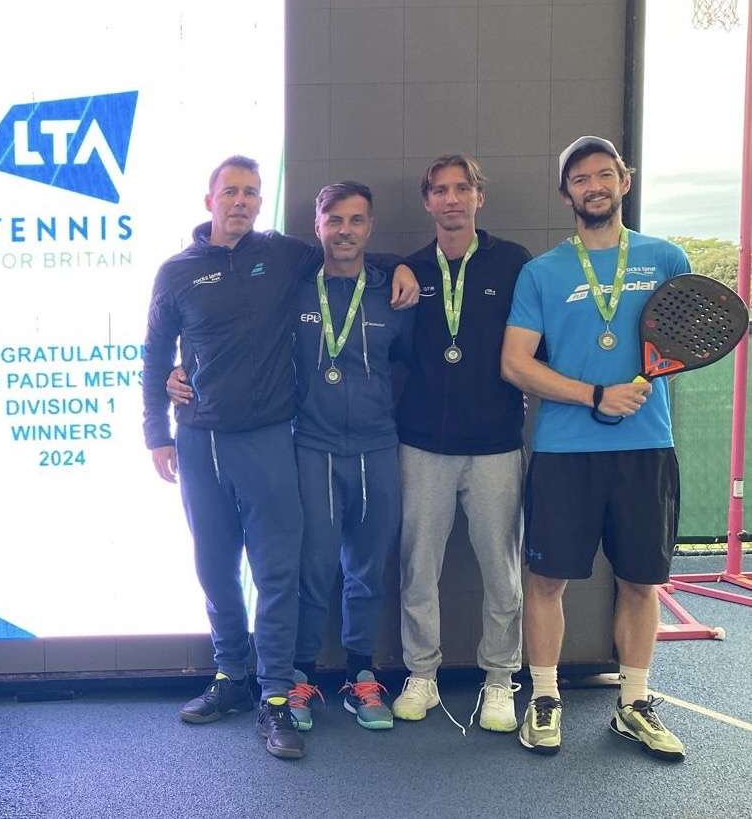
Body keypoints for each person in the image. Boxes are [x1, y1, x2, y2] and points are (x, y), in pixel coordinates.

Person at [142, 156, 416, 761]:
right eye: (231, 191)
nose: (241, 201)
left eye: (252, 192)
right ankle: (231, 677)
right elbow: (156, 352)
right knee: (214, 568)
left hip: (269, 439)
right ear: (208, 198)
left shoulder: (284, 256)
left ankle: (274, 697)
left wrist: (400, 266)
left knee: (276, 573)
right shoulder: (177, 271)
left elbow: (349, 252)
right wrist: (155, 431)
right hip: (198, 438)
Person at [502, 136, 689, 761]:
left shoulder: (665, 258)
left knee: (642, 581)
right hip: (563, 452)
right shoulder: (542, 272)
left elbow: (686, 339)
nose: (593, 186)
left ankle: (633, 703)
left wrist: (629, 390)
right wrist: (594, 395)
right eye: (580, 178)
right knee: (546, 579)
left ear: (624, 182)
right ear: (566, 194)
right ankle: (546, 697)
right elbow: (516, 365)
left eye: (604, 174)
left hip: (646, 448)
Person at [391, 154, 531, 734]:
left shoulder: (514, 263)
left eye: (462, 188)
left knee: (502, 570)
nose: (452, 199)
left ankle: (500, 680)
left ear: (479, 197)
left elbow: (535, 346)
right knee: (418, 567)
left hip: (496, 444)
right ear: (426, 202)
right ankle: (421, 673)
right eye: (440, 190)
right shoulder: (409, 269)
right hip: (422, 445)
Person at [285, 182, 411, 733]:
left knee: (366, 569)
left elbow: (417, 366)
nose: (345, 230)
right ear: (318, 226)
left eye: (356, 220)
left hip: (377, 446)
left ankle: (361, 676)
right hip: (311, 446)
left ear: (370, 227)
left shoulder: (393, 293)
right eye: (334, 220)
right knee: (312, 567)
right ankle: (301, 674)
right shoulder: (292, 290)